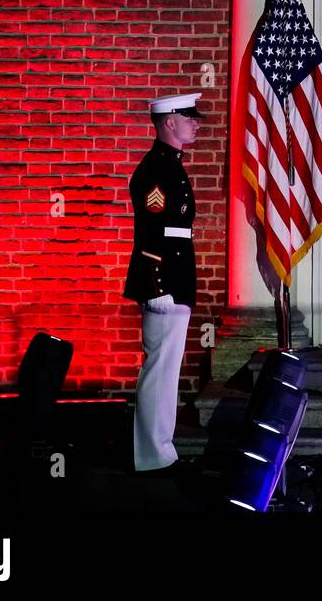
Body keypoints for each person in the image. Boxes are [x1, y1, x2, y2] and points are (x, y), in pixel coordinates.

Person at [123, 91, 203, 474]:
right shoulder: (156, 167)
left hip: (176, 272)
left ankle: (161, 450)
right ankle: (153, 454)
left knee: (167, 368)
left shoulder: (169, 165)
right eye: (189, 117)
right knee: (159, 368)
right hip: (163, 277)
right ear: (169, 121)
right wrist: (156, 286)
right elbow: (151, 230)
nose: (196, 123)